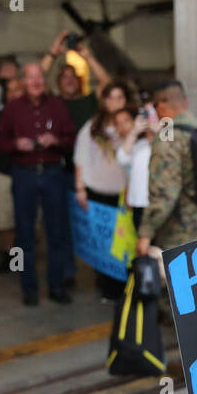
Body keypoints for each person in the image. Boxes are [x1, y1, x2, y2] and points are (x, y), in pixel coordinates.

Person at [0, 62, 77, 305]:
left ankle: (57, 286)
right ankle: (28, 288)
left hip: (53, 173)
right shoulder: (12, 109)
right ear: (23, 82)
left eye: (39, 77)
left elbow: (72, 139)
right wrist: (15, 145)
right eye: (31, 78)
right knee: (24, 234)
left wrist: (56, 140)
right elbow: (0, 142)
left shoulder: (57, 106)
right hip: (23, 173)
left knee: (57, 233)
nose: (36, 82)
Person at [135, 80, 197, 263]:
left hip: (185, 235)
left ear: (162, 105)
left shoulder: (168, 137)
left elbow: (164, 193)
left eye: (154, 107)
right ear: (186, 103)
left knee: (188, 289)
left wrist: (145, 233)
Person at [73, 98, 150, 299]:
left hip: (148, 206)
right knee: (130, 249)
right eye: (118, 124)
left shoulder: (148, 143)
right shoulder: (130, 145)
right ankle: (135, 291)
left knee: (147, 250)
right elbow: (123, 158)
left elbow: (167, 141)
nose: (123, 126)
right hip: (132, 204)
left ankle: (150, 294)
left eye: (127, 121)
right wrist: (133, 132)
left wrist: (155, 124)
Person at [0, 73, 23, 273]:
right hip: (5, 174)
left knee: (25, 222)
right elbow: (0, 138)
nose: (13, 94)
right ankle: (12, 260)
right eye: (9, 91)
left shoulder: (33, 114)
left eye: (17, 89)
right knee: (5, 221)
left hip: (26, 174)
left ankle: (19, 261)